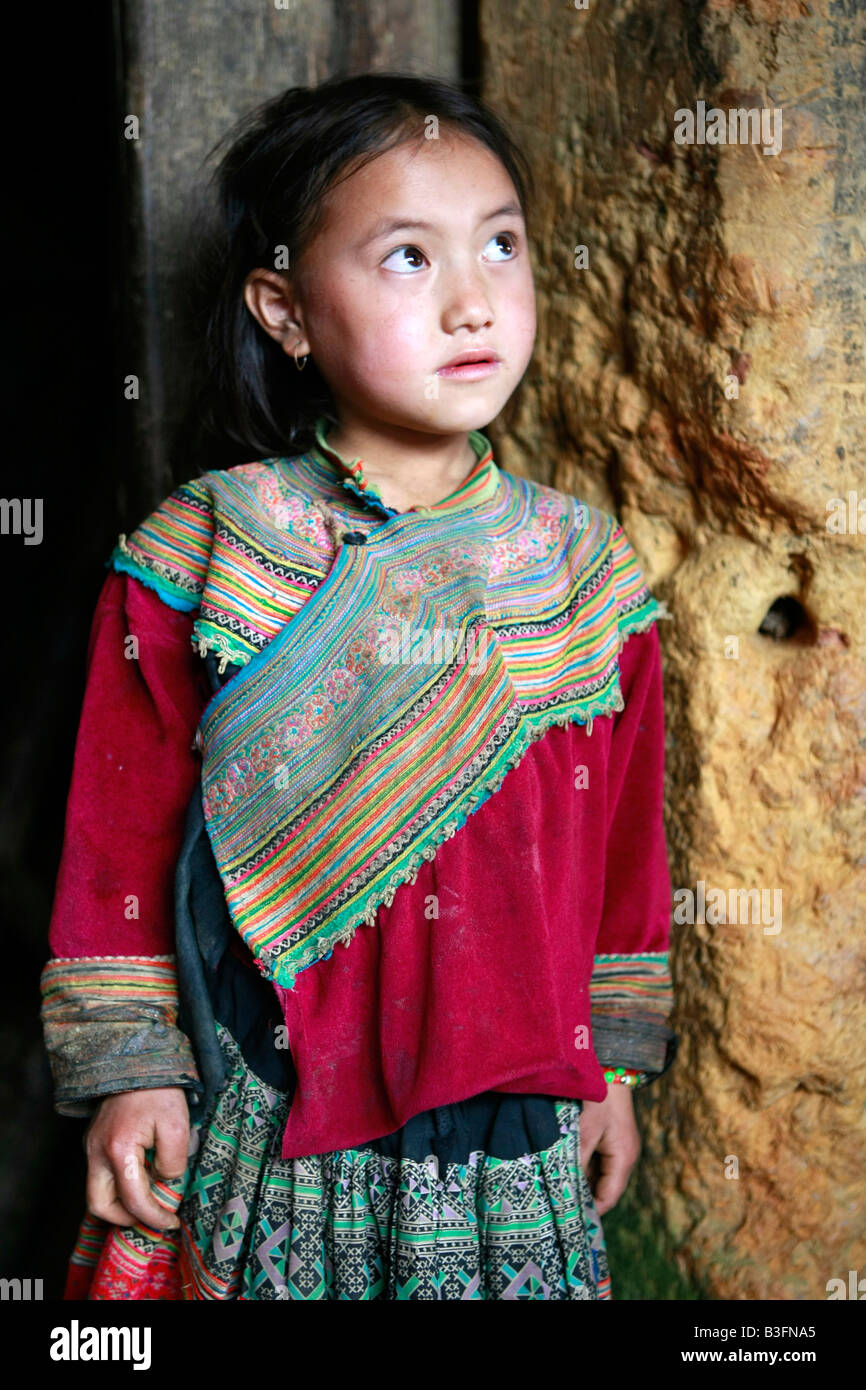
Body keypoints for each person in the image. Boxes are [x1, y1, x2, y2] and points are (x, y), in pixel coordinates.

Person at [40, 71, 677, 1301]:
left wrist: (612, 1067)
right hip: (272, 1109)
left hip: (513, 1135)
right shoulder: (209, 551)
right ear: (283, 308)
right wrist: (131, 1067)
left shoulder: (582, 571)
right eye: (404, 259)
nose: (471, 299)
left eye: (500, 244)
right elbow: (118, 846)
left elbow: (620, 850)